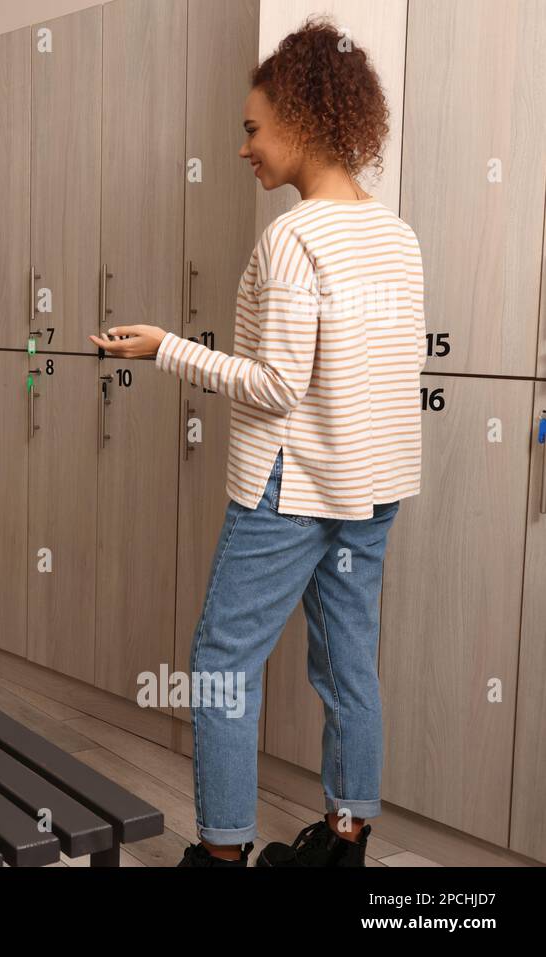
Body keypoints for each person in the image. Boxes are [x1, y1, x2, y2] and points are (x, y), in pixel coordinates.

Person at [90, 16, 424, 867]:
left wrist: (167, 347)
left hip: (292, 487)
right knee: (350, 663)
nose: (244, 148)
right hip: (373, 486)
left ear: (302, 119)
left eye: (251, 128)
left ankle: (222, 853)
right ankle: (346, 843)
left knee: (222, 664)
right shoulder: (398, 235)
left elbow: (278, 386)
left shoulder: (293, 237)